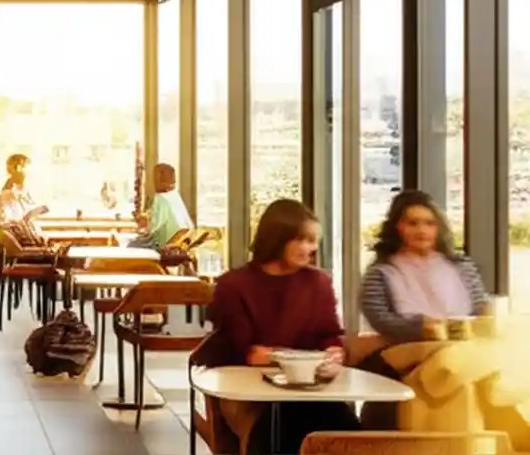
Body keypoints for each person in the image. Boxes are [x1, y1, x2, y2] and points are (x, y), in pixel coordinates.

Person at [207, 199, 360, 454]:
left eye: (313, 241)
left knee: (343, 426)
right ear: (277, 238)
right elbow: (243, 351)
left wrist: (334, 353)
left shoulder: (319, 283)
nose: (310, 248)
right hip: (251, 389)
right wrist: (293, 360)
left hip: (312, 389)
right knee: (287, 421)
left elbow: (328, 335)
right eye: (302, 240)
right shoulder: (233, 285)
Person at [359, 189, 487, 343]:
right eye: (412, 223)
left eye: (430, 223)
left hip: (467, 346)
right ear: (397, 227)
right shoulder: (380, 274)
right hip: (408, 350)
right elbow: (380, 320)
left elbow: (481, 308)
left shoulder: (462, 266)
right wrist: (421, 328)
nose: (422, 231)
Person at [130, 163, 193, 249]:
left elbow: (156, 231)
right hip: (175, 244)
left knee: (131, 245)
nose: (154, 182)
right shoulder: (175, 197)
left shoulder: (161, 198)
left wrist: (144, 233)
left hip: (164, 246)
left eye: (156, 179)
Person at [0, 153, 48, 225]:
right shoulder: (7, 190)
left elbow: (44, 207)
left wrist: (30, 215)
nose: (24, 173)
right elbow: (3, 214)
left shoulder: (30, 188)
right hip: (14, 226)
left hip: (27, 226)